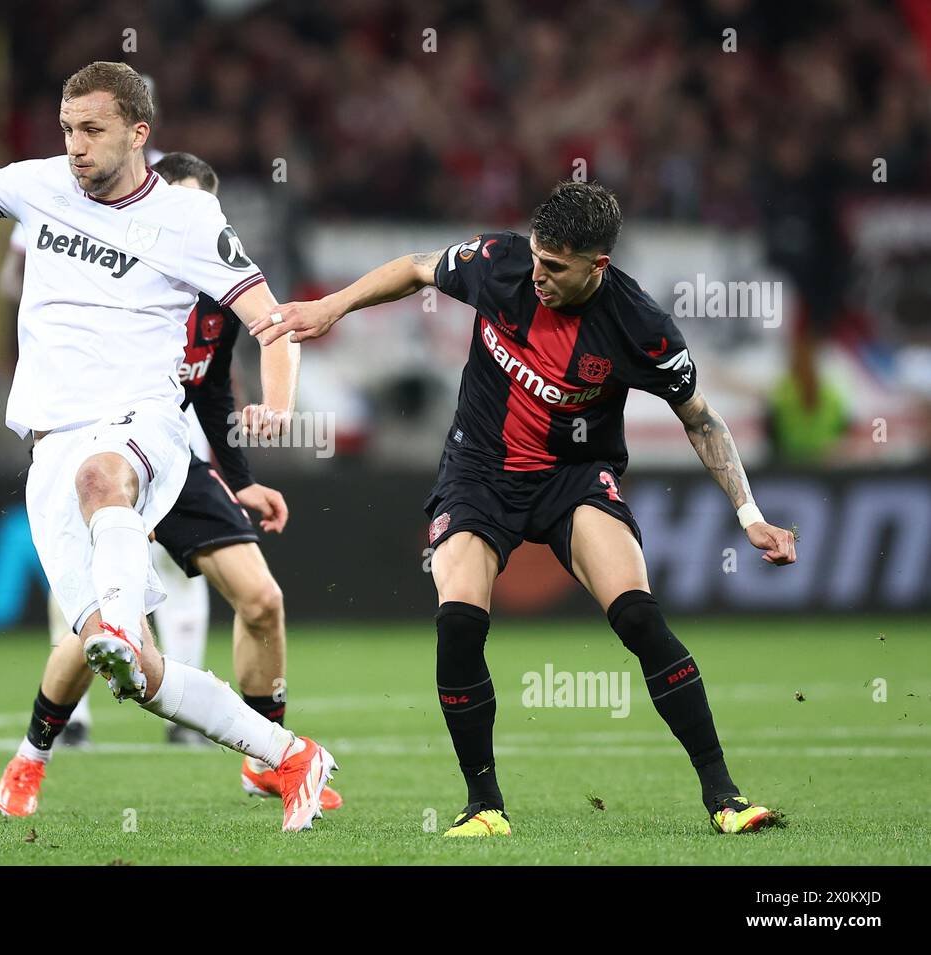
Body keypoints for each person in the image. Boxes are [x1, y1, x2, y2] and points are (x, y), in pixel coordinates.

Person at [0, 37, 336, 832]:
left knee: (107, 484)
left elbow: (273, 321)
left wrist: (280, 401)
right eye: (66, 129)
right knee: (123, 666)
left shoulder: (188, 216)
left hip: (141, 423)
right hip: (50, 445)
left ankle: (123, 625)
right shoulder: (42, 187)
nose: (75, 146)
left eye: (91, 130)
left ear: (137, 131)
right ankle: (290, 754)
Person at [255, 180, 796, 837]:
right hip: (478, 472)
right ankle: (484, 805)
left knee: (640, 619)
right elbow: (414, 268)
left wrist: (749, 513)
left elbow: (702, 420)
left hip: (574, 477)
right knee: (458, 621)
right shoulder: (501, 262)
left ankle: (725, 796)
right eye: (537, 257)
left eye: (556, 267)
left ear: (597, 266)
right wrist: (332, 309)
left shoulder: (640, 326)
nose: (537, 274)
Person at [0, 151, 342, 812]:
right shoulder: (117, 281)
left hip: (175, 460)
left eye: (199, 211)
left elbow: (214, 389)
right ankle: (32, 755)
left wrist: (239, 479)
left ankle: (266, 760)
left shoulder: (215, 291)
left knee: (262, 599)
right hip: (105, 451)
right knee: (96, 632)